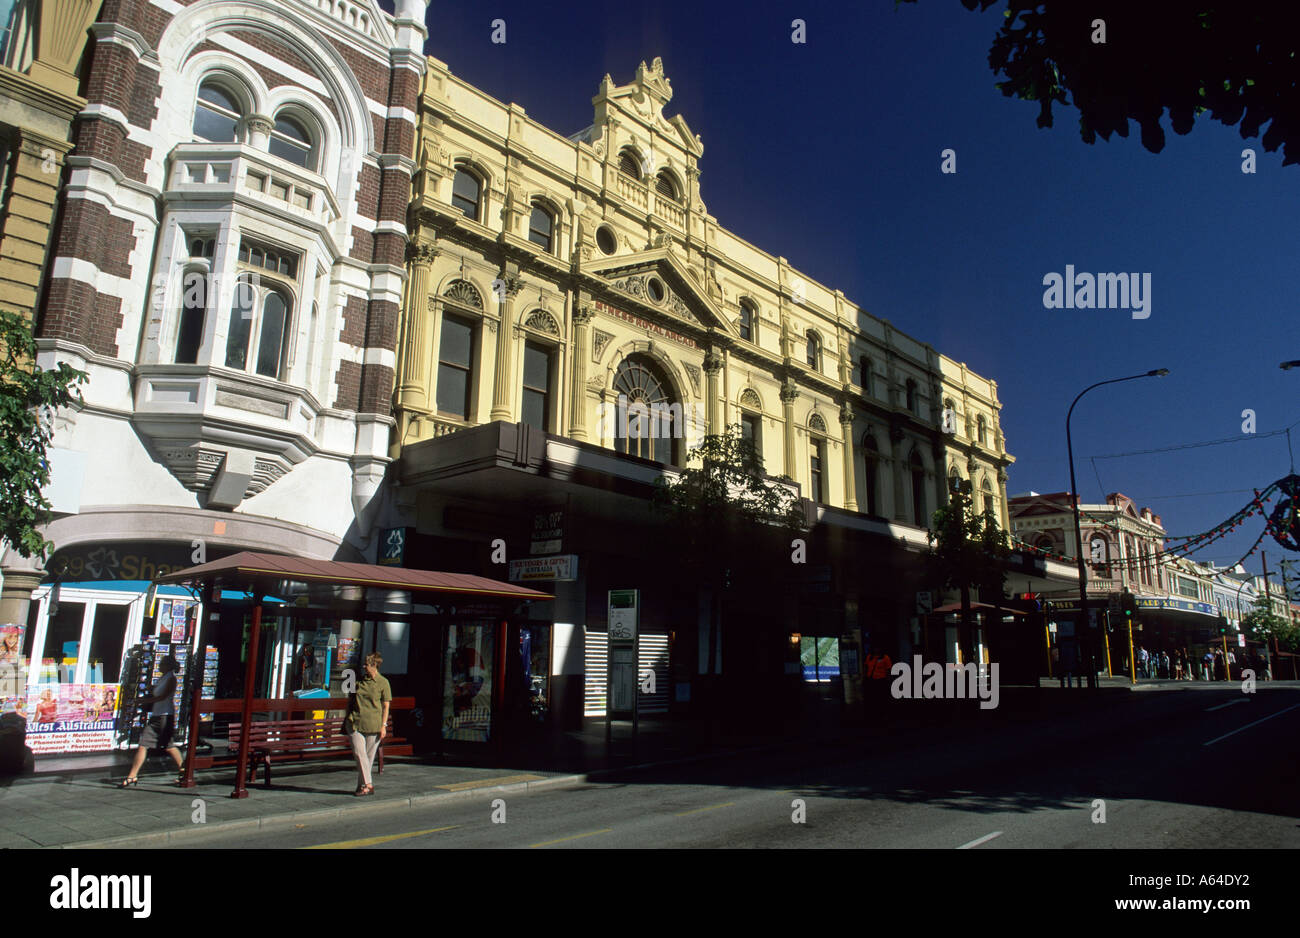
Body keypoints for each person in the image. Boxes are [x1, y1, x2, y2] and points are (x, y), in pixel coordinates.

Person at [118, 655, 183, 787]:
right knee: (143, 744)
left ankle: (184, 771)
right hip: (156, 715)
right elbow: (157, 692)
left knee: (169, 746)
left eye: (161, 664)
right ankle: (132, 776)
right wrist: (150, 689)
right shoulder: (163, 678)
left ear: (167, 666)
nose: (159, 666)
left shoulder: (171, 678)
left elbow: (163, 696)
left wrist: (143, 701)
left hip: (165, 715)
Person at [344, 652, 392, 796]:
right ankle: (369, 785)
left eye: (367, 665)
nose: (364, 667)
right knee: (360, 754)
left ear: (374, 665)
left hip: (374, 725)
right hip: (355, 723)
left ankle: (362, 786)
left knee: (368, 759)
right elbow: (350, 699)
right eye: (364, 664)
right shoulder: (359, 681)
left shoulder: (383, 683)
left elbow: (386, 706)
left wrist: (384, 726)